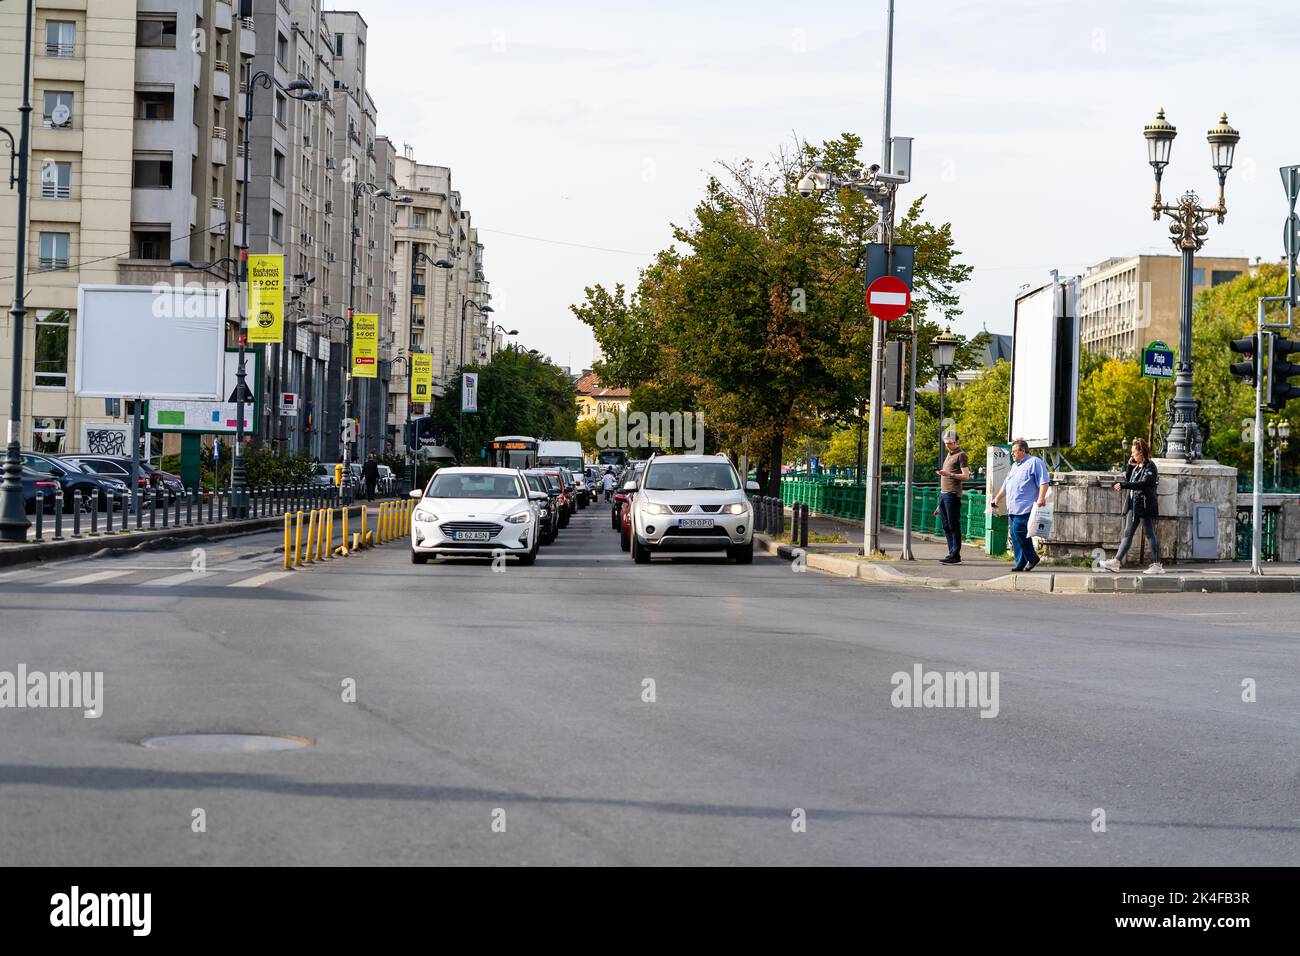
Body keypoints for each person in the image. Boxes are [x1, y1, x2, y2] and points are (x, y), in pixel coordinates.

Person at [1100, 438, 1164, 575]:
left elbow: (1144, 483)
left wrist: (1124, 485)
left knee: (1150, 534)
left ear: (1141, 452)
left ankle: (1157, 565)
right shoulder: (1137, 467)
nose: (1132, 456)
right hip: (1134, 506)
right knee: (1127, 533)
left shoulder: (1150, 467)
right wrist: (1129, 467)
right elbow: (1130, 479)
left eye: (1134, 453)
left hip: (1145, 506)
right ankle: (1116, 562)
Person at [991, 439, 1049, 572]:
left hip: (1025, 507)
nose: (1012, 455)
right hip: (1013, 507)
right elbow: (1006, 485)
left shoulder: (1034, 462)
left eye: (1014, 452)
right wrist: (997, 498)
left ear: (1022, 451)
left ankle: (1032, 557)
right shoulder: (1015, 466)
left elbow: (1044, 482)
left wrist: (1041, 497)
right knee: (1015, 536)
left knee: (1019, 531)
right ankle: (1020, 562)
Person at [935, 430, 970, 564]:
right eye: (946, 443)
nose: (948, 446)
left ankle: (956, 554)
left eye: (950, 443)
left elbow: (966, 476)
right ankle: (951, 553)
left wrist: (949, 474)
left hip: (952, 494)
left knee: (953, 524)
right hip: (944, 494)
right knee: (946, 525)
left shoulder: (961, 455)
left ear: (956, 442)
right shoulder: (949, 455)